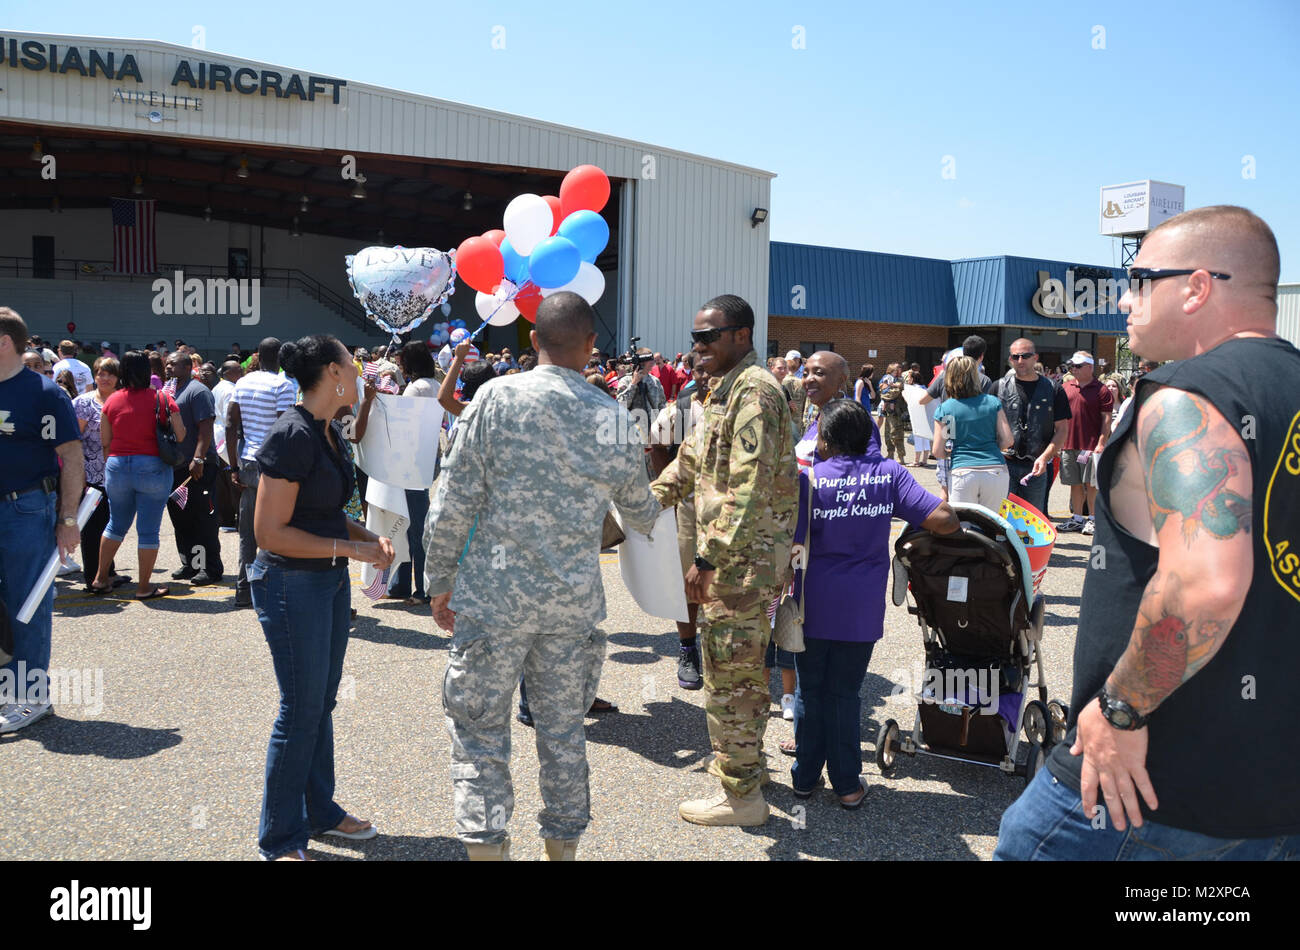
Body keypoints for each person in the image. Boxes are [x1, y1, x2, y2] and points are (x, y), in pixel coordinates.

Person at [997, 205, 1300, 859]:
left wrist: (1121, 711)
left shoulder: (1186, 397)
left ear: (1196, 287)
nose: (1124, 300)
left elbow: (1207, 584)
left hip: (1151, 788)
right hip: (1275, 793)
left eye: (1140, 281)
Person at [423, 292, 661, 861]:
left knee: (480, 736)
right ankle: (562, 853)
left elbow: (452, 499)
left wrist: (438, 579)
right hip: (570, 607)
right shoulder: (610, 415)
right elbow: (641, 511)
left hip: (491, 602)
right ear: (590, 347)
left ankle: (488, 851)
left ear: (532, 340)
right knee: (563, 736)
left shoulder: (494, 399)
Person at [651, 294, 797, 826]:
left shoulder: (754, 391)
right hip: (739, 559)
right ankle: (743, 771)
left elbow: (748, 484)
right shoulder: (723, 392)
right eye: (695, 337)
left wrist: (707, 557)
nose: (697, 348)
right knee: (734, 672)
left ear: (741, 335)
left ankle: (741, 798)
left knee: (730, 678)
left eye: (708, 336)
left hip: (740, 563)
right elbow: (691, 460)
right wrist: (642, 507)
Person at [248, 334, 394, 861]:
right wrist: (347, 548)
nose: (360, 374)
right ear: (333, 373)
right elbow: (270, 532)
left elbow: (324, 513)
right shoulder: (292, 434)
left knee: (319, 704)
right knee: (299, 709)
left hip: (325, 582)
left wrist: (362, 537)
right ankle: (281, 838)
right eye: (353, 366)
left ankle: (320, 812)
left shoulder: (326, 431)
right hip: (291, 585)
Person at [791, 400, 958, 806]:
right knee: (845, 693)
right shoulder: (889, 474)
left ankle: (804, 778)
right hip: (859, 608)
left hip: (810, 603)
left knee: (811, 691)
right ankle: (847, 785)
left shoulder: (808, 478)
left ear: (825, 440)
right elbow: (946, 521)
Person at [0, 309, 84, 733]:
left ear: (4, 342)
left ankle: (30, 697)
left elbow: (71, 457)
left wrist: (68, 518)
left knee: (27, 604)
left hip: (25, 510)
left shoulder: (44, 394)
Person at [91, 351, 185, 600]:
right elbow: (182, 434)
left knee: (115, 524)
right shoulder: (162, 399)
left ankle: (101, 578)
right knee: (148, 531)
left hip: (117, 466)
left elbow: (105, 441)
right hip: (153, 467)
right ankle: (144, 587)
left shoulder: (112, 401)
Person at [650, 355, 709, 690]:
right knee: (688, 582)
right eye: (699, 369)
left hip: (732, 512)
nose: (706, 375)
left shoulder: (742, 408)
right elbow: (656, 445)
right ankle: (688, 650)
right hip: (688, 510)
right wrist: (669, 491)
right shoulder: (681, 410)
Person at [228, 338, 297, 608]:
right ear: (279, 357)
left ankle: (243, 591)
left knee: (247, 533)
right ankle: (270, 592)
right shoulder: (283, 385)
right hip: (272, 465)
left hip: (246, 461)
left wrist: (233, 466)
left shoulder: (243, 382)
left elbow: (232, 424)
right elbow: (284, 430)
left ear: (257, 355)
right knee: (276, 531)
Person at [384, 340, 440, 606]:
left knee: (413, 525)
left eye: (401, 361)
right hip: (429, 457)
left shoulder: (415, 389)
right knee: (413, 523)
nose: (399, 365)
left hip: (411, 462)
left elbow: (404, 427)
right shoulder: (435, 384)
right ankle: (404, 584)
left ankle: (421, 589)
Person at [164, 350, 223, 585]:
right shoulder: (169, 390)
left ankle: (210, 568)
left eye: (174, 364)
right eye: (166, 364)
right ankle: (190, 563)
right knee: (182, 518)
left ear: (188, 367)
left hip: (198, 467)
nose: (168, 368)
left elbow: (206, 428)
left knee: (203, 519)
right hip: (177, 467)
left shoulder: (197, 391)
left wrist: (198, 459)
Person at [73, 357, 130, 593]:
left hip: (117, 474)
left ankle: (109, 571)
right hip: (91, 475)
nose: (104, 378)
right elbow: (74, 440)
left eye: (109, 374)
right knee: (93, 529)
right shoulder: (83, 403)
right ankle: (93, 577)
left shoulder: (123, 400)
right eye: (100, 373)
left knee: (112, 525)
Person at [997, 338, 1071, 515]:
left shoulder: (1054, 390)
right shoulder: (998, 387)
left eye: (1026, 356)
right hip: (1004, 465)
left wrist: (1045, 458)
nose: (1020, 361)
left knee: (1032, 522)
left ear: (1035, 357)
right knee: (1001, 522)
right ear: (1010, 359)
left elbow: (1062, 430)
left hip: (1036, 467)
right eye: (1016, 357)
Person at [932, 356, 1013, 510]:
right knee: (993, 524)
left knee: (965, 525)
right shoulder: (992, 402)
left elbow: (938, 450)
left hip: (962, 471)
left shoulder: (946, 409)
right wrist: (993, 446)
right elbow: (1008, 440)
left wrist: (950, 452)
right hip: (995, 469)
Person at [1057, 350, 1113, 535]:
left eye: (1078, 366)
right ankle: (1077, 518)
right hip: (1068, 444)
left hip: (1090, 445)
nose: (1074, 369)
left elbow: (1106, 419)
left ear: (1090, 367)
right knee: (1074, 483)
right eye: (1072, 366)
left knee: (1091, 484)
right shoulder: (1066, 386)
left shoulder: (1101, 389)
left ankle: (1093, 520)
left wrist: (1101, 442)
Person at [876, 363, 908, 463]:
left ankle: (900, 456)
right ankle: (890, 453)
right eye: (896, 369)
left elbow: (892, 394)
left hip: (897, 412)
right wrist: (884, 392)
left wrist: (884, 393)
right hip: (888, 412)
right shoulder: (887, 378)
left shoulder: (900, 380)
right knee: (888, 434)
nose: (898, 370)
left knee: (897, 434)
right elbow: (882, 390)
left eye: (898, 369)